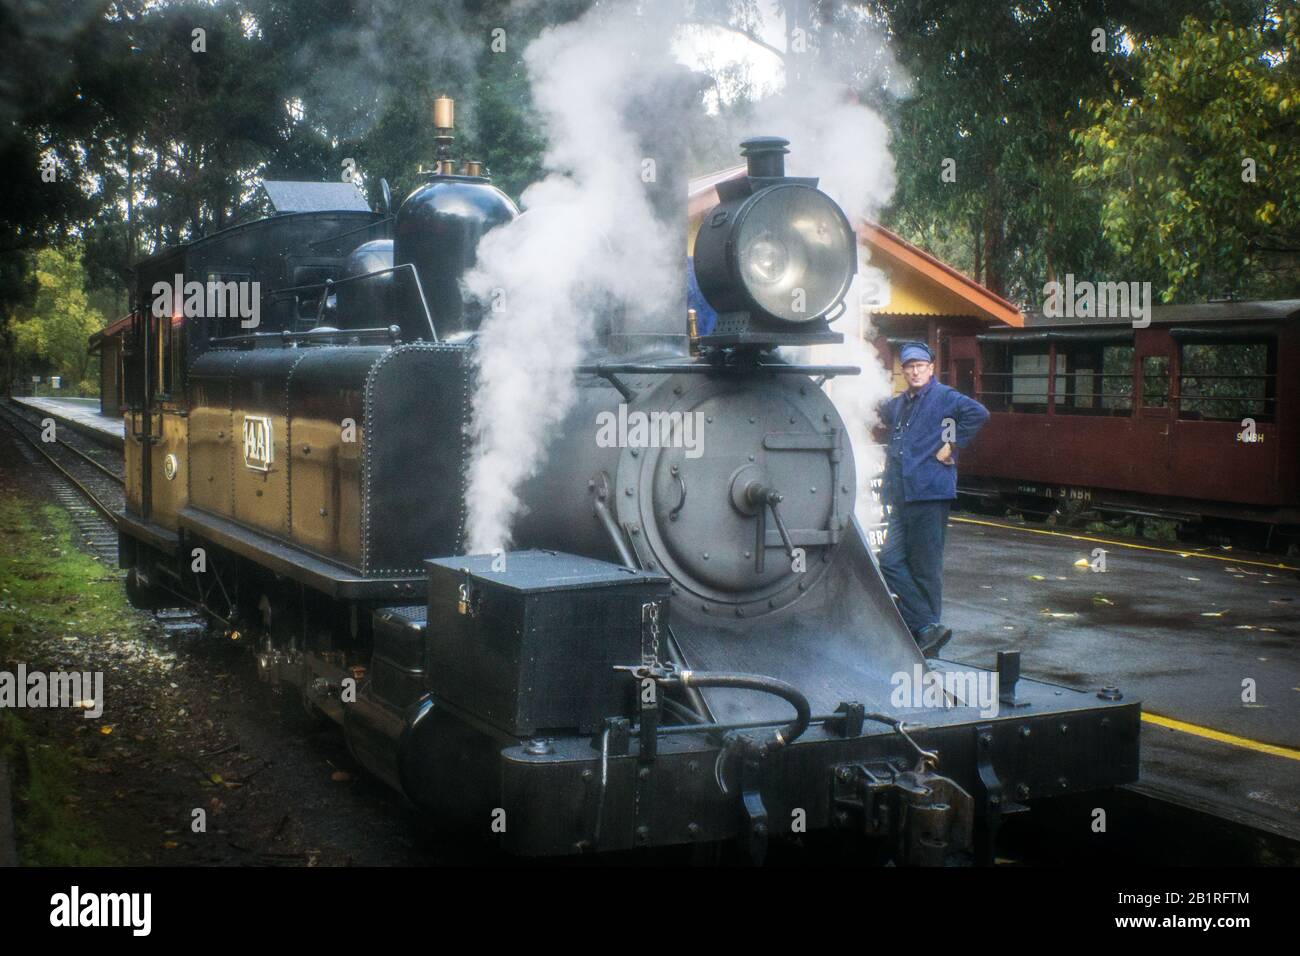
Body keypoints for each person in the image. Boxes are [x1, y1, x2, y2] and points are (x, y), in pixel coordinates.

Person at [878, 341, 989, 657]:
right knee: (890, 561)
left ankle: (928, 635)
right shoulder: (901, 403)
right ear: (903, 370)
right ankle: (928, 626)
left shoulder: (944, 397)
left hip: (929, 493)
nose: (914, 371)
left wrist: (952, 444)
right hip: (902, 496)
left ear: (930, 369)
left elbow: (978, 413)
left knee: (925, 568)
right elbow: (878, 411)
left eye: (920, 366)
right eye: (909, 366)